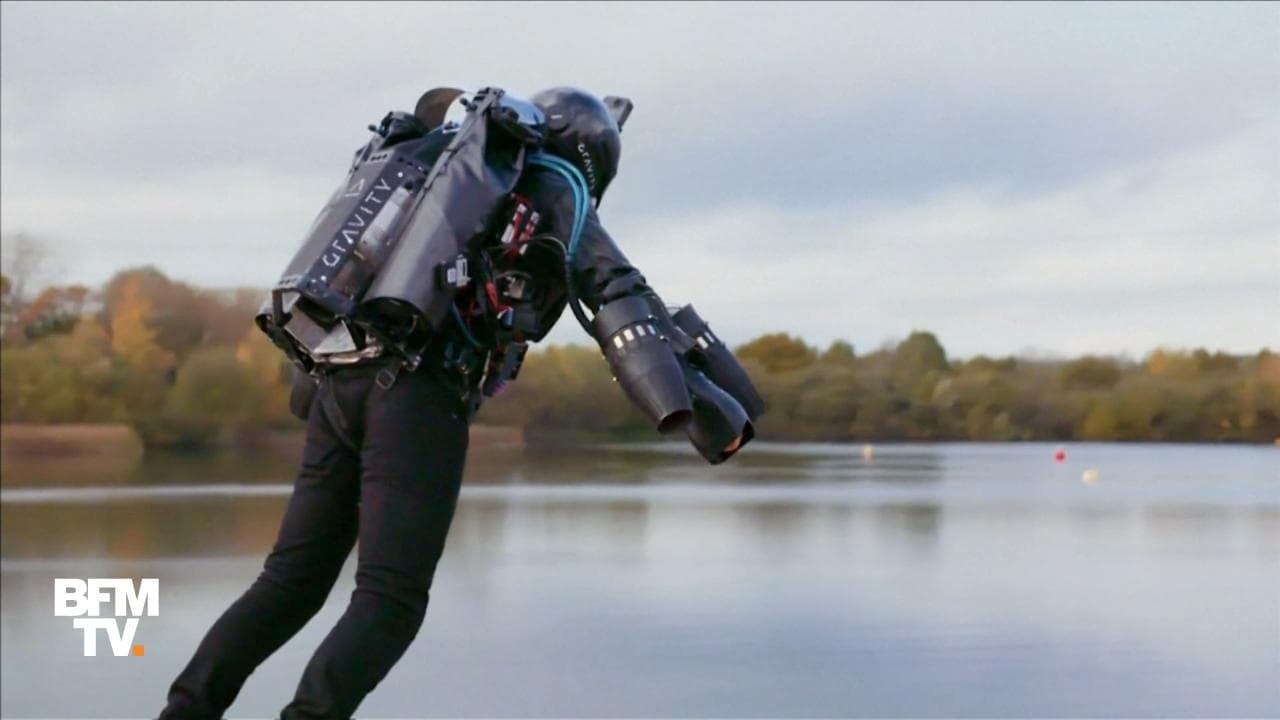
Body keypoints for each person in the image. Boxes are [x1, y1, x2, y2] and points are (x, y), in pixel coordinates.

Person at [157, 86, 761, 720]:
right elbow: (614, 289)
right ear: (593, 159)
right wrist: (694, 398)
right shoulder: (552, 185)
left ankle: (185, 711)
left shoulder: (427, 163)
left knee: (289, 582)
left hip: (341, 374)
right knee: (390, 598)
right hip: (418, 394)